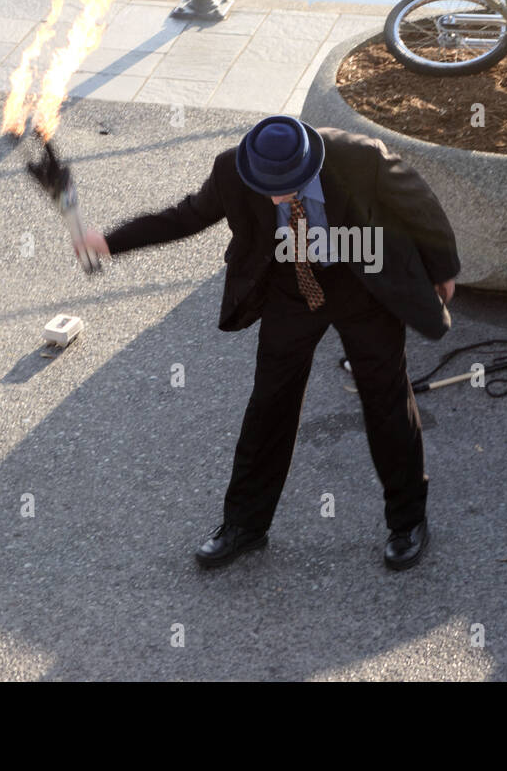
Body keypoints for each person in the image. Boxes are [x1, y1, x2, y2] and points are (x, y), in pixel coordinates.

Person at [80, 115, 460, 570]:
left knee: (386, 400)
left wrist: (442, 270)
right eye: (270, 188)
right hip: (291, 290)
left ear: (311, 162)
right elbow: (186, 216)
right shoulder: (230, 171)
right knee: (269, 403)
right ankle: (244, 525)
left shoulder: (360, 158)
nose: (280, 197)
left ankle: (408, 521)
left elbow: (420, 206)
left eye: (291, 186)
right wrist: (109, 241)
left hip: (362, 284)